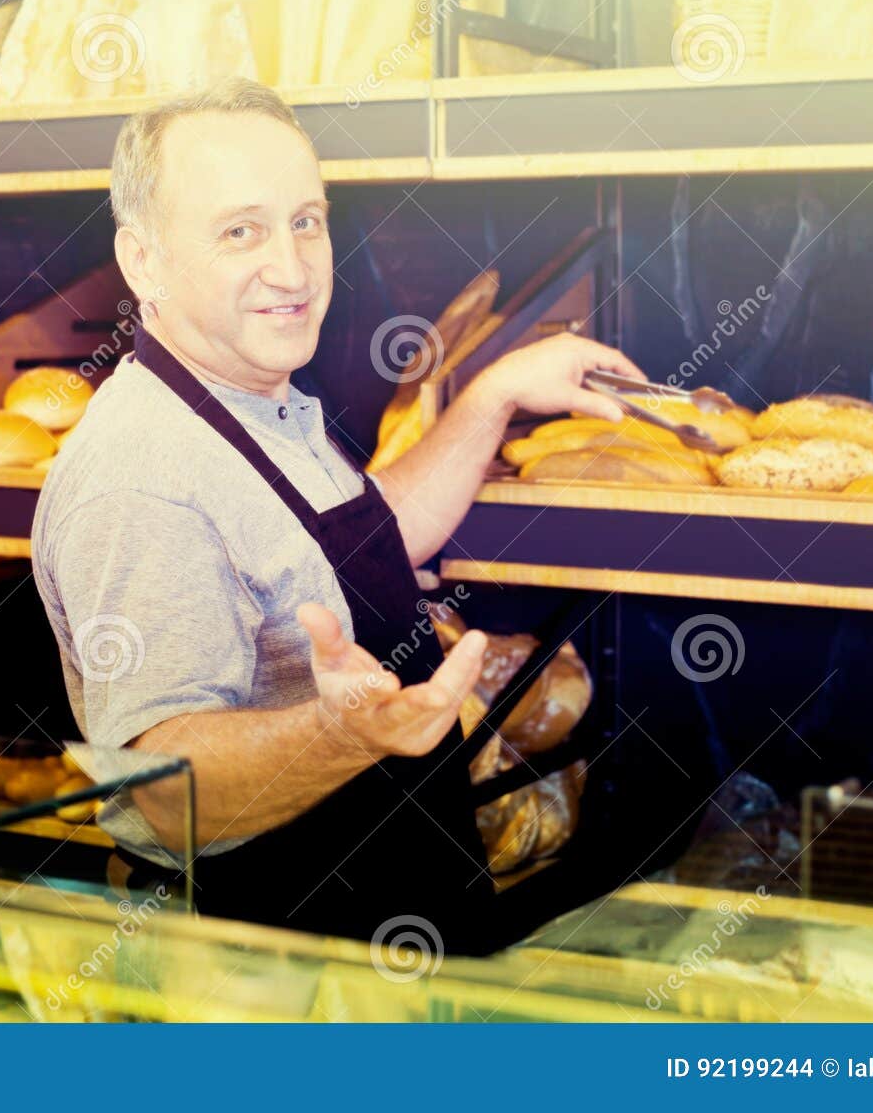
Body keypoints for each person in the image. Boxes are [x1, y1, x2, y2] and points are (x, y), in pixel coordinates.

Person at [32, 77, 644, 951]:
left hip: (394, 925)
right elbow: (166, 790)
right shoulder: (142, 475)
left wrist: (495, 392)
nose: (292, 269)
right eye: (240, 231)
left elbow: (358, 535)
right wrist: (340, 732)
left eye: (307, 221)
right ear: (143, 261)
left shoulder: (253, 402)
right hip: (282, 959)